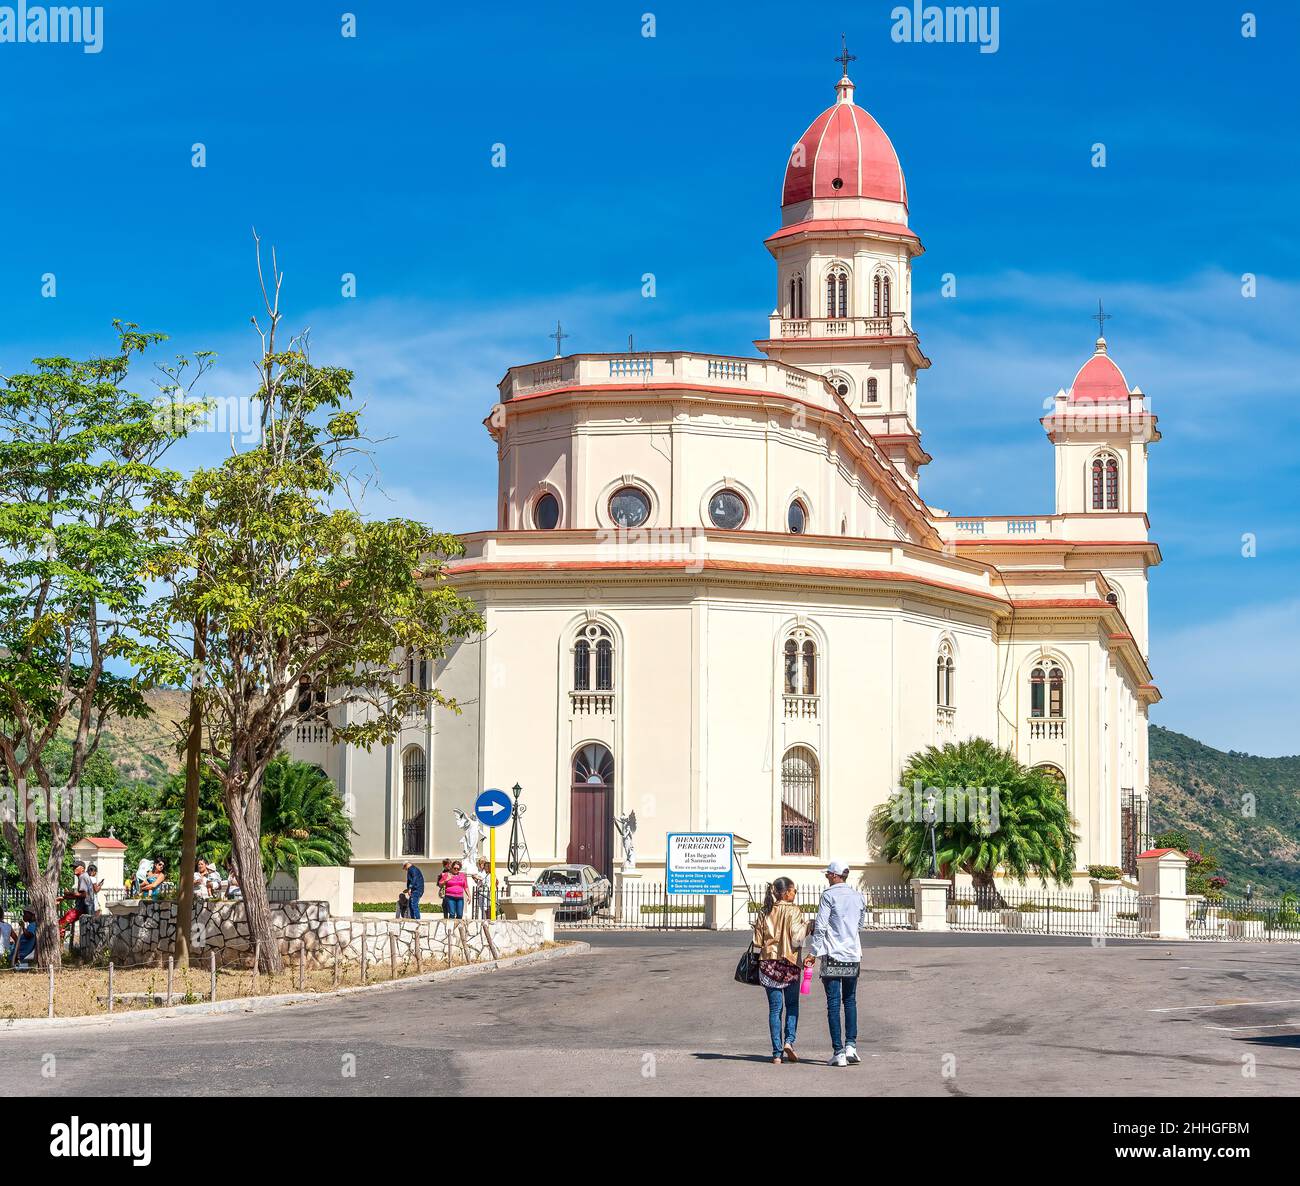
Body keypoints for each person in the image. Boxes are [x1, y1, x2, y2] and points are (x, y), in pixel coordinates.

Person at [805, 859, 867, 1068]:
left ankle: (838, 1052)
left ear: (834, 875)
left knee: (833, 1003)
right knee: (850, 1000)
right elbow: (860, 924)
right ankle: (851, 1046)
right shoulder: (858, 896)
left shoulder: (828, 896)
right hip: (852, 954)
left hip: (832, 954)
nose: (826, 877)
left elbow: (821, 927)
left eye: (827, 874)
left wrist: (813, 952)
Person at [754, 877, 807, 1064]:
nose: (795, 894)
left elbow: (757, 941)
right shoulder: (794, 911)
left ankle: (777, 1053)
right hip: (789, 962)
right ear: (786, 892)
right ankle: (789, 1041)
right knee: (792, 1005)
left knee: (775, 1009)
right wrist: (808, 926)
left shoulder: (765, 911)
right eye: (794, 891)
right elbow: (796, 939)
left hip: (768, 963)